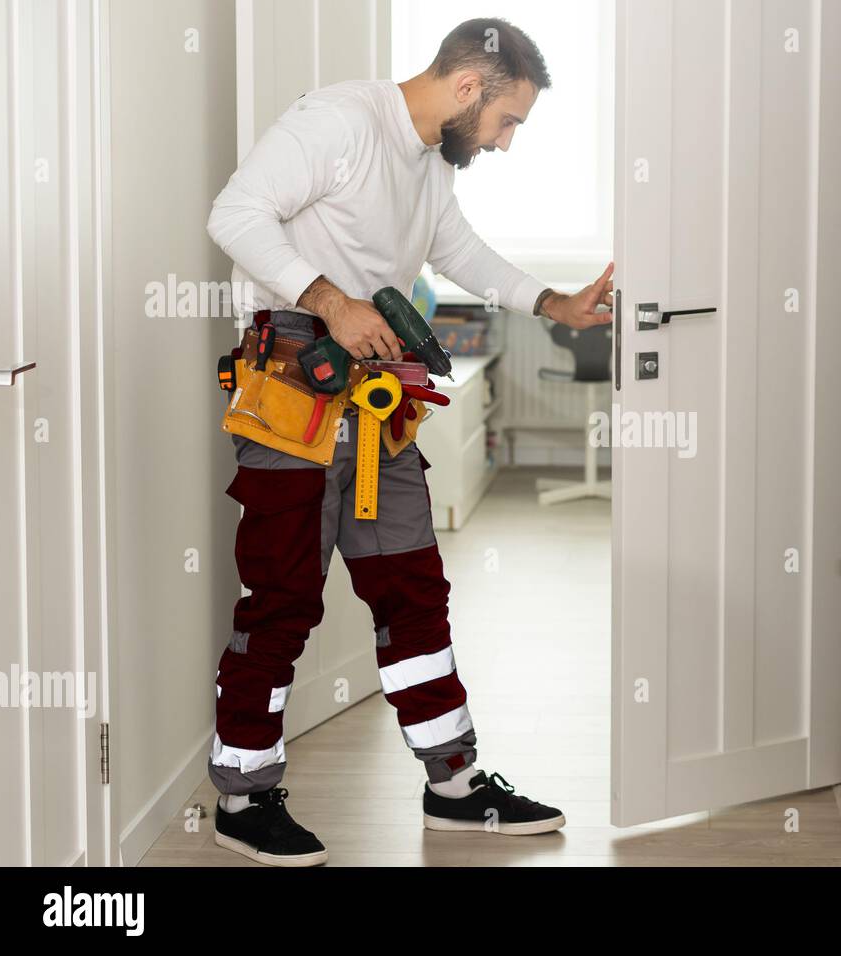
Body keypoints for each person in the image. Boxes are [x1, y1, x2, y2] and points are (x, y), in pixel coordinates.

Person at [204, 17, 612, 866]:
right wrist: (331, 300)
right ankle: (243, 795)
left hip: (377, 407)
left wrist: (555, 305)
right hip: (294, 390)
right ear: (469, 89)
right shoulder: (339, 122)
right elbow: (234, 213)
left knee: (414, 593)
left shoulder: (430, 166)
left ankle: (454, 785)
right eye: (507, 123)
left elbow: (463, 253)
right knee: (281, 602)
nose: (503, 143)